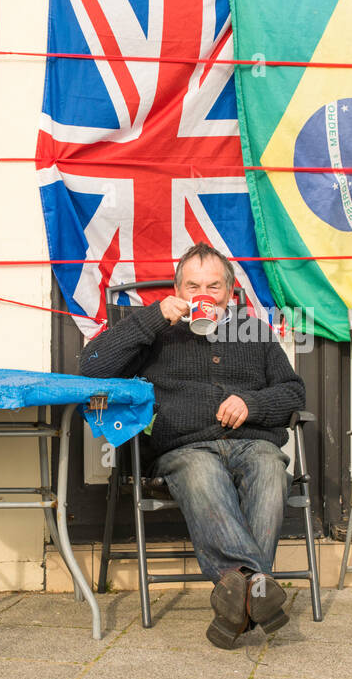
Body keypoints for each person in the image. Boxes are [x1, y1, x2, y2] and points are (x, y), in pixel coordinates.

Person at [79, 243, 305, 649]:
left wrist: (253, 403)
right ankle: (257, 588)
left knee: (272, 467)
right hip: (184, 448)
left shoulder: (255, 332)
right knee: (202, 473)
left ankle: (236, 600)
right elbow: (92, 367)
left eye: (214, 286)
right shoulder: (154, 332)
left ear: (230, 293)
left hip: (253, 443)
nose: (205, 294)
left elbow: (293, 392)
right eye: (193, 285)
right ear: (178, 290)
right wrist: (151, 317)